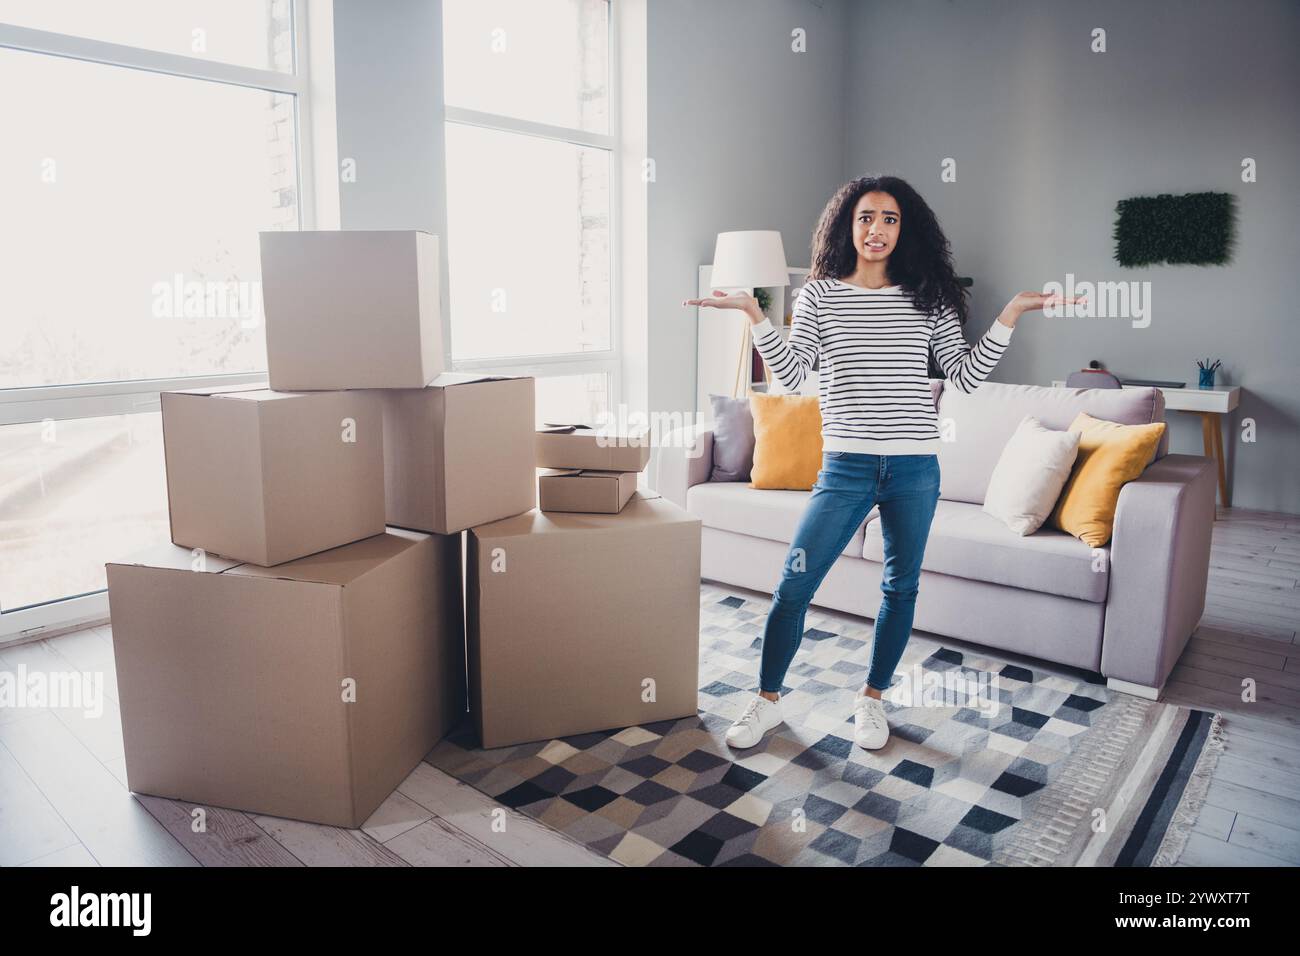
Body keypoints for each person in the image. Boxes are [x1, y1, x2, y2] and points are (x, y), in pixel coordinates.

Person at [683, 175, 1082, 751]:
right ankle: (765, 701)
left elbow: (964, 377)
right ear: (848, 224)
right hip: (844, 467)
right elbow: (793, 378)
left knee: (900, 588)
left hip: (914, 469)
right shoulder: (820, 295)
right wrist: (755, 314)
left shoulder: (927, 298)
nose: (877, 230)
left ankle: (872, 699)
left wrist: (1012, 313)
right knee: (794, 584)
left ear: (905, 228)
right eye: (867, 217)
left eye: (890, 219)